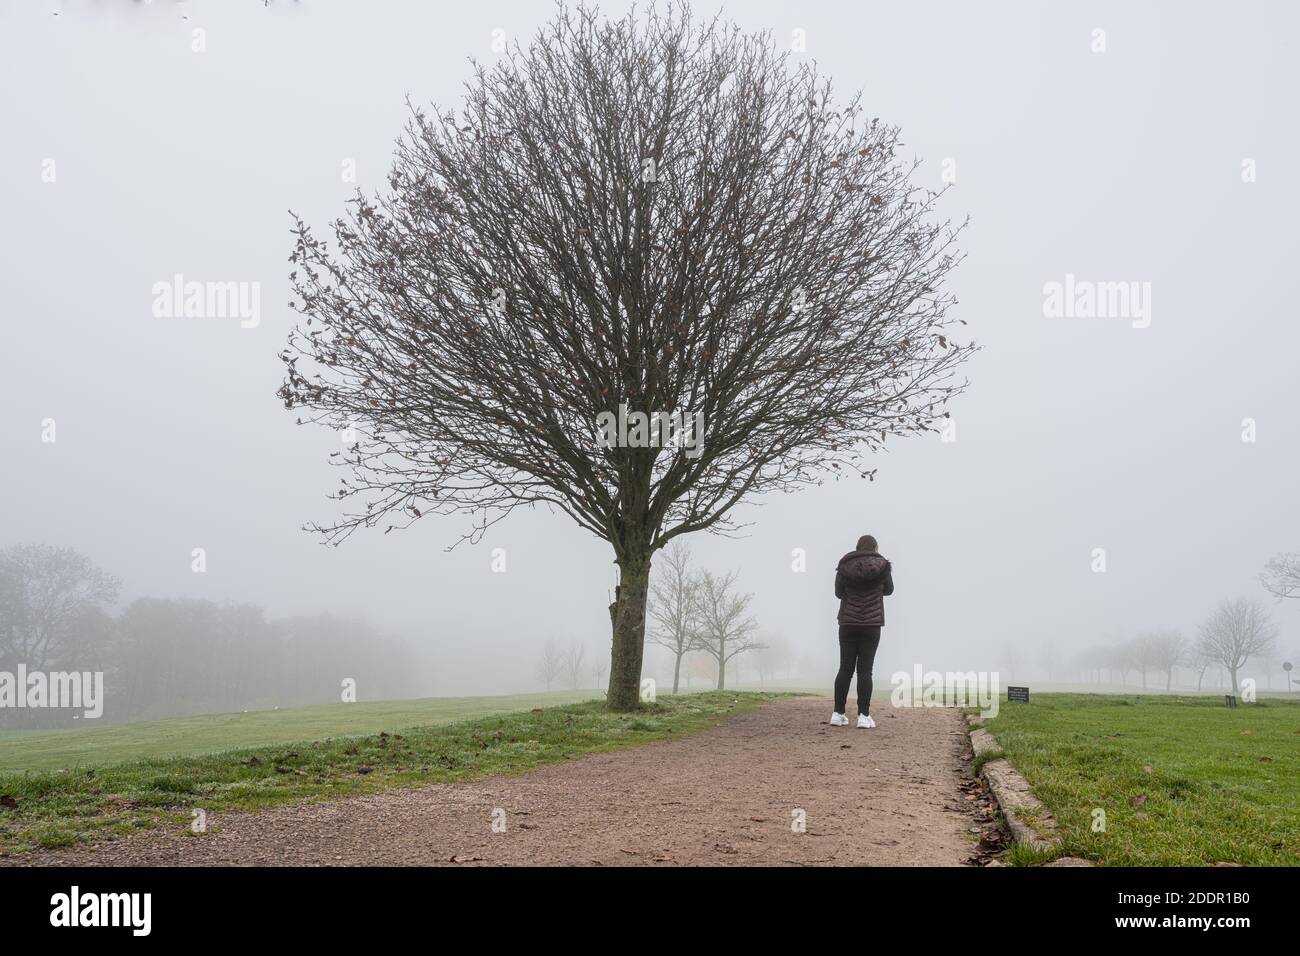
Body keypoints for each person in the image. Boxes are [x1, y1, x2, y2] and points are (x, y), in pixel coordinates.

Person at [831, 534, 893, 728]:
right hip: (871, 625)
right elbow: (889, 590)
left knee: (845, 668)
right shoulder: (882, 566)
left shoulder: (845, 565)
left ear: (857, 547)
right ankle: (864, 716)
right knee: (865, 670)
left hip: (848, 624)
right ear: (875, 548)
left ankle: (838, 713)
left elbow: (838, 593)